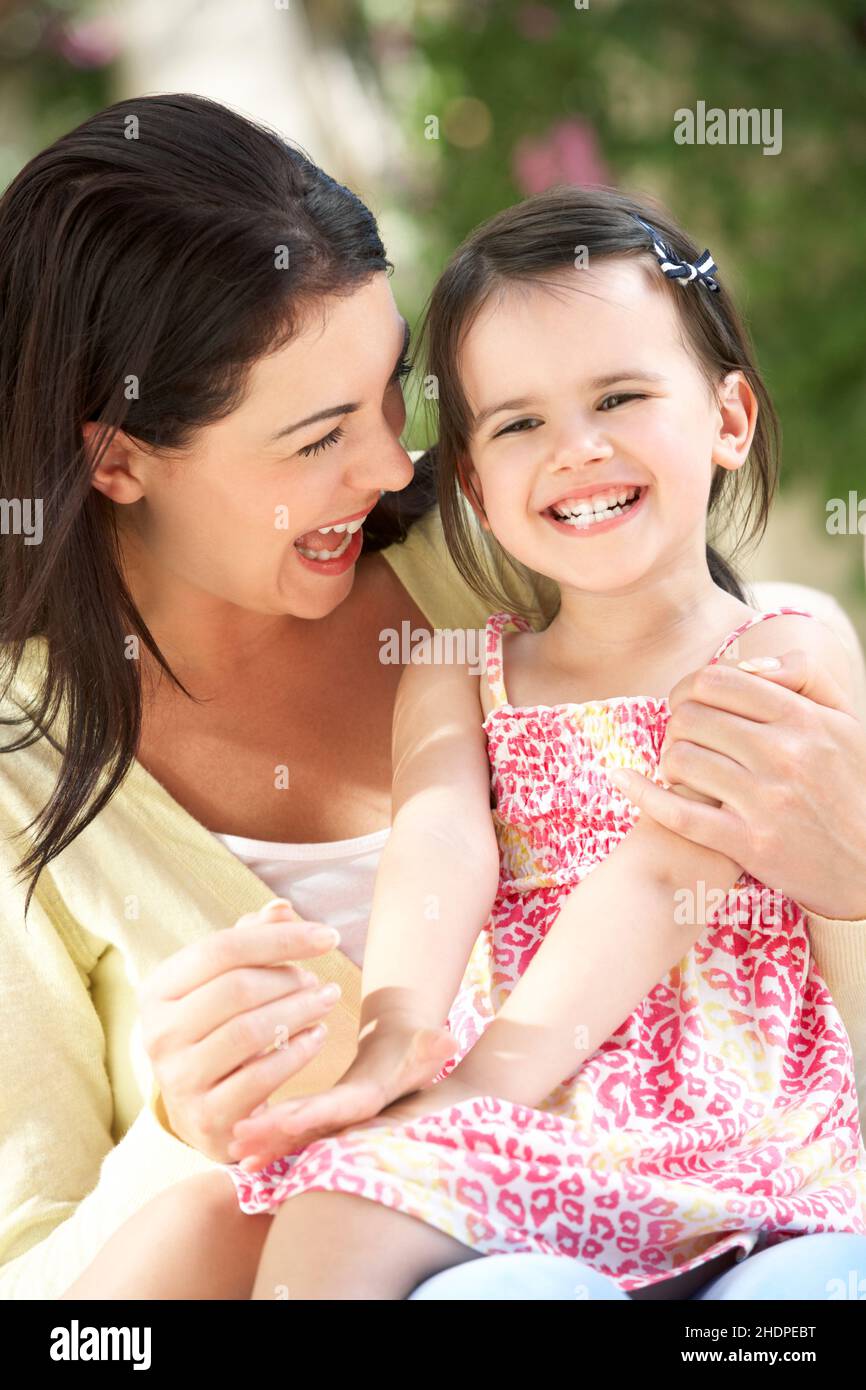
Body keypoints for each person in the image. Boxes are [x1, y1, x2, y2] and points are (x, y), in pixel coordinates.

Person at [2, 96, 865, 1301]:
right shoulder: (18, 780)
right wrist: (177, 1137)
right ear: (119, 458)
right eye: (315, 440)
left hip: (747, 1188)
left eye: (392, 395)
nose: (393, 470)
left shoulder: (519, 563)